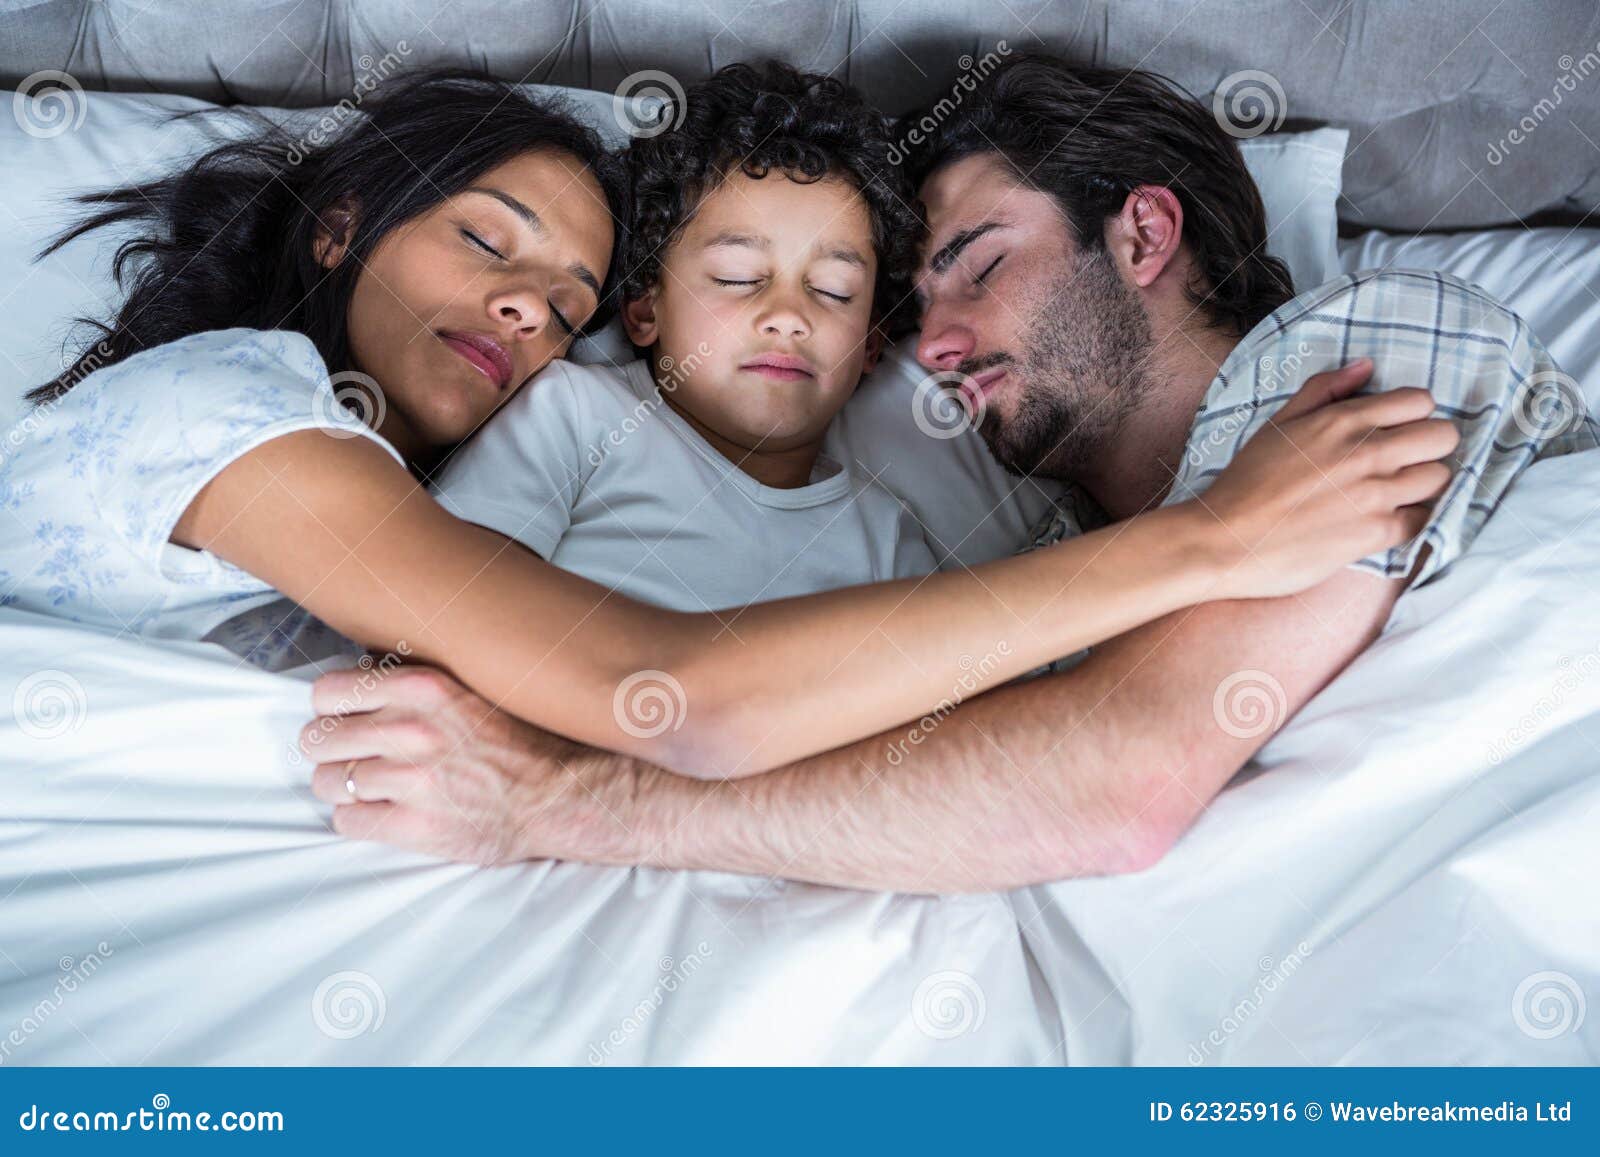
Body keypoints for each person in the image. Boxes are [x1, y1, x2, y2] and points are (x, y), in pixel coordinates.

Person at [304, 59, 1594, 885]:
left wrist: (563, 804)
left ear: (1142, 231)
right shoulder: (1045, 565)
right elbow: (966, 771)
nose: (936, 346)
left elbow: (1115, 780)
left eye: (976, 263)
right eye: (914, 309)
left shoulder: (1375, 343)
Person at [0, 67, 1449, 785]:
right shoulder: (226, 401)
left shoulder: (894, 515)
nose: (525, 310)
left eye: (565, 299)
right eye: (485, 240)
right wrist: (1214, 540)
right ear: (339, 228)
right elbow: (663, 687)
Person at [432, 63, 941, 620]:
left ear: (871, 344)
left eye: (833, 290)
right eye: (737, 277)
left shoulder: (886, 541)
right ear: (646, 308)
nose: (788, 317)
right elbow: (452, 607)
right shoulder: (574, 414)